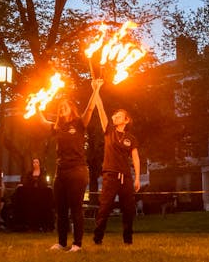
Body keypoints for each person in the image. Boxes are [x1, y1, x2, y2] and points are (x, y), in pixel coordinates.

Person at [39, 84, 99, 252]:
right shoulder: (57, 127)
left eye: (65, 106)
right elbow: (42, 121)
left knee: (76, 208)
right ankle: (61, 242)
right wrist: (36, 106)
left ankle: (77, 244)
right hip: (61, 171)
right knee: (61, 209)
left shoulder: (79, 123)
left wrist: (95, 90)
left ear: (72, 109)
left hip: (77, 170)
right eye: (60, 107)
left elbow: (89, 109)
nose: (61, 108)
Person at [91, 82, 141, 246]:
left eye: (119, 116)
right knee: (104, 208)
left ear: (126, 120)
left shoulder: (131, 138)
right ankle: (97, 239)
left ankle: (128, 240)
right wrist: (96, 89)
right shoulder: (109, 131)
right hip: (110, 175)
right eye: (114, 116)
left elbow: (135, 159)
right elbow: (100, 109)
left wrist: (137, 178)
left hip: (125, 177)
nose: (115, 118)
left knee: (128, 210)